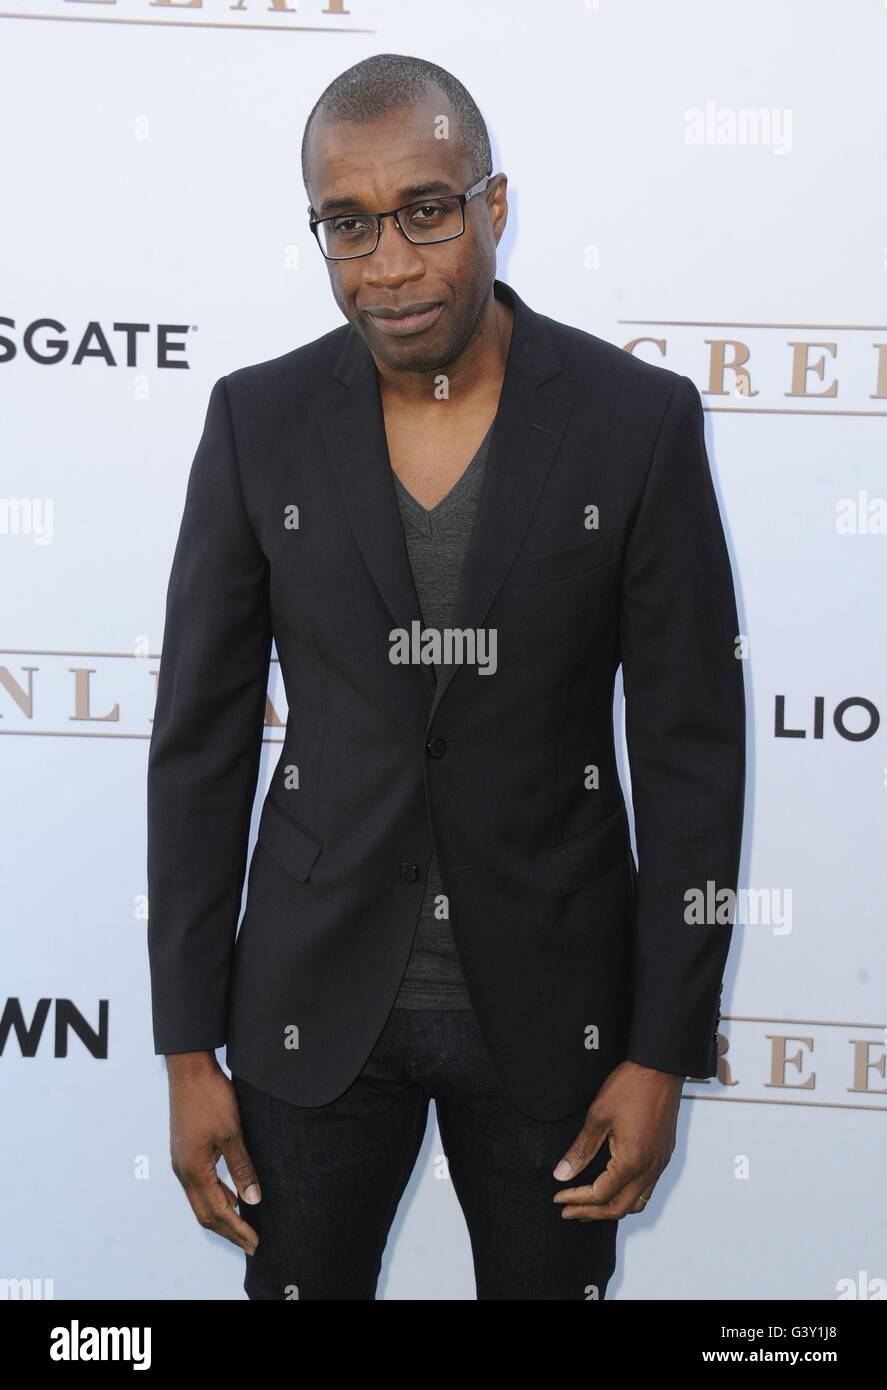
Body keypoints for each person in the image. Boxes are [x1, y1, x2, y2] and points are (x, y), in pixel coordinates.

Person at [147, 53, 746, 1300]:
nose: (390, 263)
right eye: (347, 224)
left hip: (560, 1027)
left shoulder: (634, 421)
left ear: (493, 203)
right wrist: (185, 1046)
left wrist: (658, 1053)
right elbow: (198, 750)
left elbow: (691, 750)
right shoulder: (256, 422)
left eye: (427, 210)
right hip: (307, 1022)